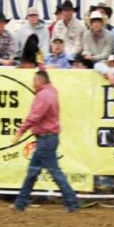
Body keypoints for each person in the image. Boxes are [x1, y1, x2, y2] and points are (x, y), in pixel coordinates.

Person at [11, 70, 79, 213]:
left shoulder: (43, 96)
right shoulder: (51, 91)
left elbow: (34, 117)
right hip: (49, 138)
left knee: (52, 172)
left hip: (45, 139)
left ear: (40, 81)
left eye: (34, 80)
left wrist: (20, 132)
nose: (33, 83)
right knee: (34, 172)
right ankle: (20, 203)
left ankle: (72, 202)